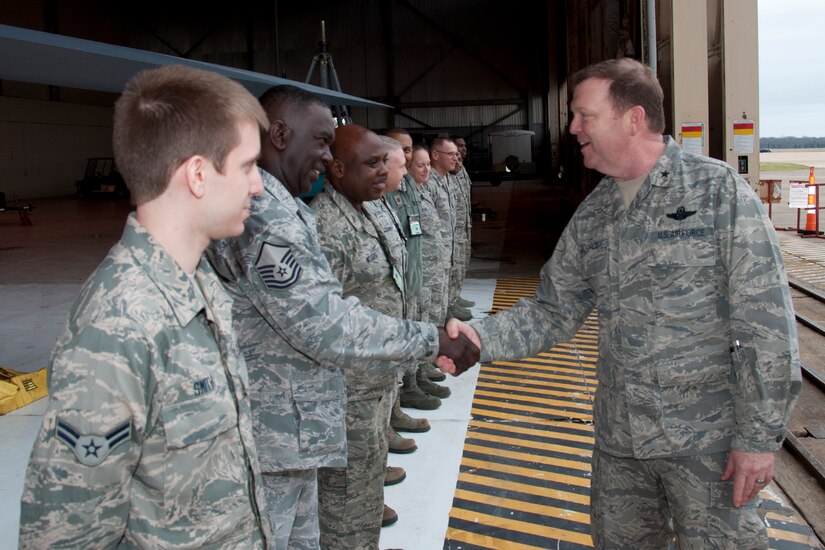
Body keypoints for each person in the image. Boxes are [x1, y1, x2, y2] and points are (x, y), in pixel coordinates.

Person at [446, 57, 801, 548]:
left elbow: (767, 324)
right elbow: (553, 309)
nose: (572, 128)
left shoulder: (716, 192)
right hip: (621, 446)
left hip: (707, 447)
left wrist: (759, 439)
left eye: (583, 115)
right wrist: (477, 339)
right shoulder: (596, 213)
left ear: (632, 119)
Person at [205, 86, 479, 550]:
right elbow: (327, 324)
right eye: (321, 141)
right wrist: (432, 339)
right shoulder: (265, 218)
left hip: (295, 427)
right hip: (273, 432)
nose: (328, 156)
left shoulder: (283, 208)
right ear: (278, 134)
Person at [18, 64, 271, 548]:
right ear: (198, 174)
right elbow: (69, 534)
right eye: (247, 166)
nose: (257, 186)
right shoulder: (118, 324)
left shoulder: (199, 281)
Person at [310, 125, 412, 547]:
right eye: (372, 164)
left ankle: (366, 513)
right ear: (336, 169)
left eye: (384, 163)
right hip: (346, 392)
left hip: (375, 380)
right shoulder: (324, 226)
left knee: (365, 480)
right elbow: (319, 324)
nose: (382, 172)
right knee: (346, 495)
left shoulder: (368, 207)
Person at [449, 135, 475, 314]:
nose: (462, 149)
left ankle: (455, 296)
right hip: (453, 232)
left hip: (464, 227)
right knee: (453, 266)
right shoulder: (448, 174)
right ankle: (450, 303)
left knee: (462, 264)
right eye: (459, 146)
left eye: (464, 146)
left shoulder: (461, 169)